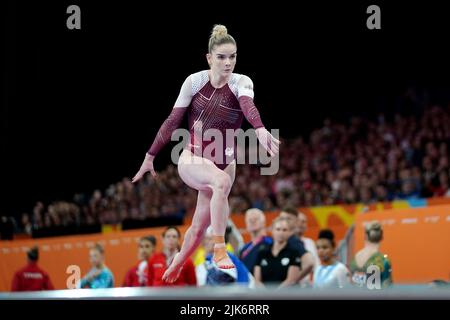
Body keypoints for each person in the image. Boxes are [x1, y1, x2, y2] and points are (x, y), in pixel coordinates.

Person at [132, 24, 280, 283]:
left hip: (224, 161)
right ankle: (220, 248)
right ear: (209, 58)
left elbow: (248, 106)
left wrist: (259, 128)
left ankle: (178, 262)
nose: (228, 62)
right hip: (192, 157)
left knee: (199, 225)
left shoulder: (241, 82)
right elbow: (172, 120)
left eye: (232, 56)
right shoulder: (195, 81)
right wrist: (150, 156)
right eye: (221, 57)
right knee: (220, 182)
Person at [254, 217, 301, 288]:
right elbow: (257, 281)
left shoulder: (294, 252)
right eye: (278, 229)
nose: (281, 233)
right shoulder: (262, 252)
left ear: (289, 232)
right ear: (272, 230)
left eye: (284, 230)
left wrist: (274, 295)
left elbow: (291, 280)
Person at [350, 221, 392, 288]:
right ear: (381, 237)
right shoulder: (383, 261)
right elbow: (387, 289)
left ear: (365, 236)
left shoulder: (354, 259)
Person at [278, 207, 315, 284]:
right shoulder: (282, 241)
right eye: (281, 219)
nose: (284, 222)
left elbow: (310, 263)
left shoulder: (294, 241)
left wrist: (291, 281)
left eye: (288, 219)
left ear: (295, 222)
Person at [239, 208, 273, 274]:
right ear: (246, 224)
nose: (252, 221)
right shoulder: (245, 247)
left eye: (256, 219)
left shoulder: (269, 243)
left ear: (263, 223)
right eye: (249, 220)